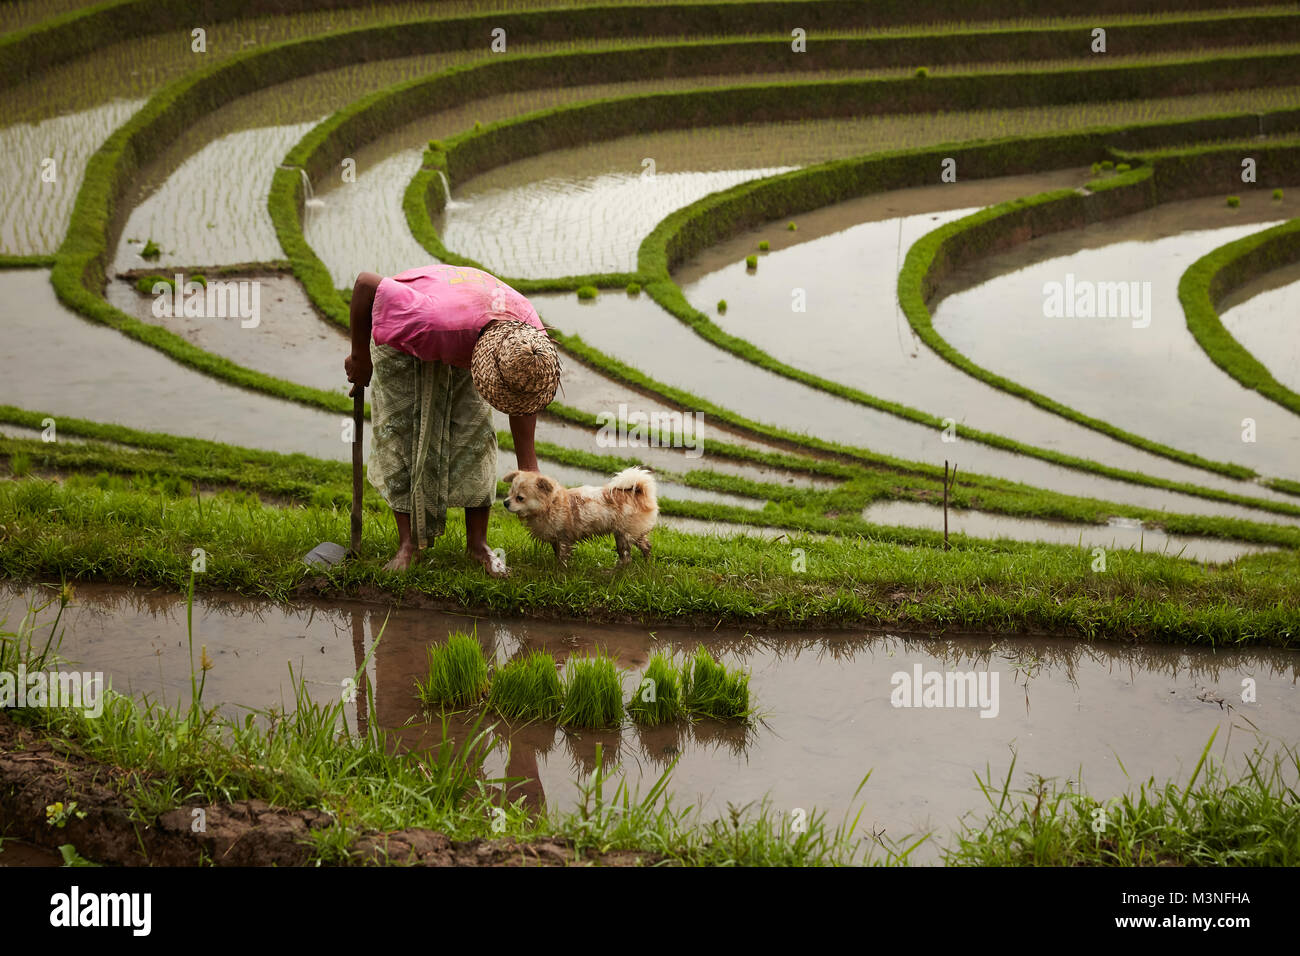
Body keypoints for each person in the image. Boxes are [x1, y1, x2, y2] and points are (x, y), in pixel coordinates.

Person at [344, 264, 561, 577]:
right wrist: (360, 356)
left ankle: (478, 546)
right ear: (487, 366)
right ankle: (409, 544)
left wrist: (529, 469)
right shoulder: (429, 318)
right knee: (402, 436)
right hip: (406, 338)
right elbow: (365, 283)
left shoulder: (529, 342)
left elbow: (523, 397)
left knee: (476, 439)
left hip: (467, 334)